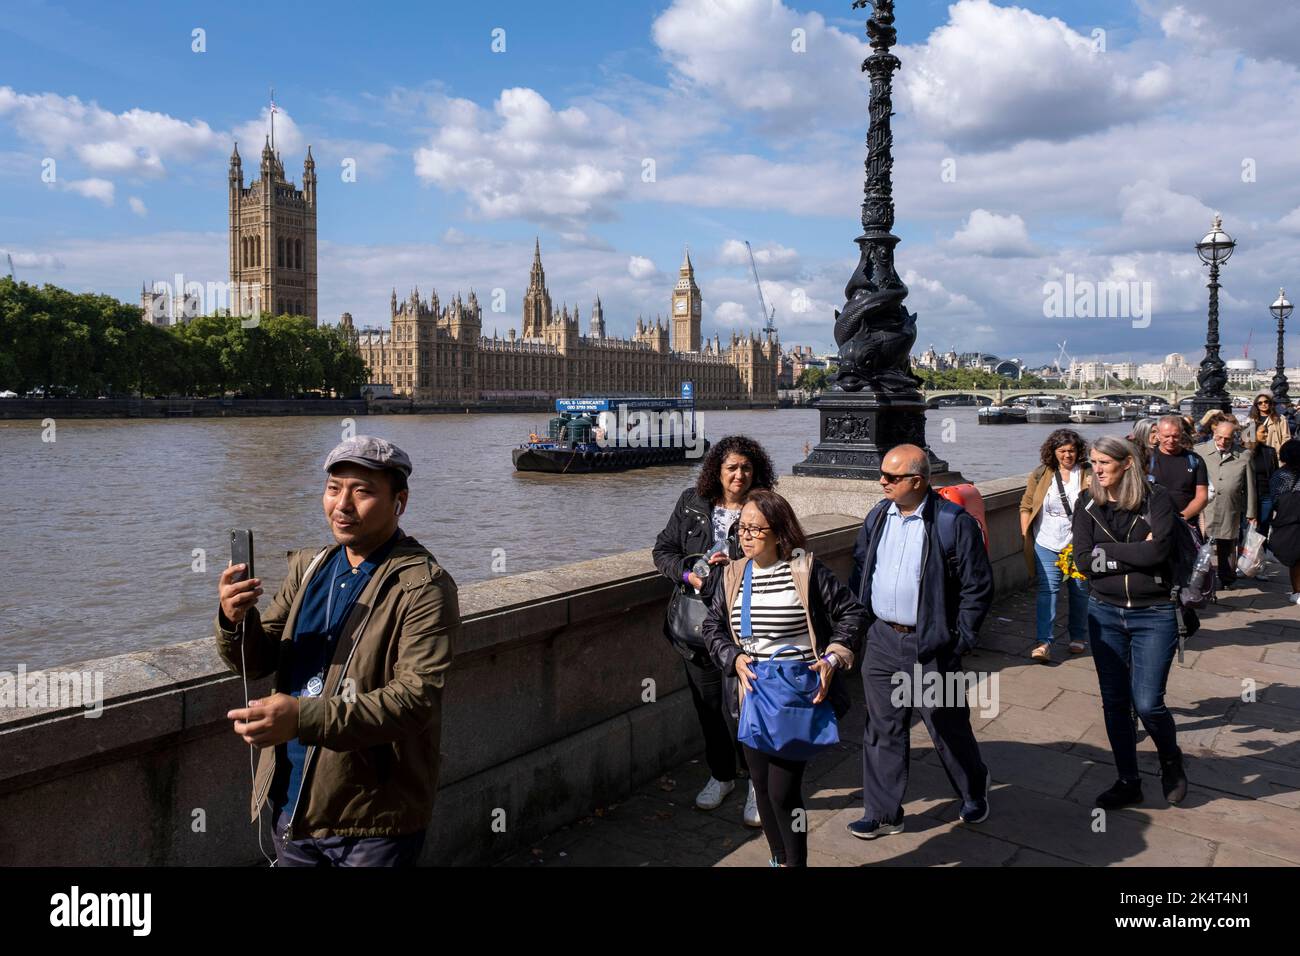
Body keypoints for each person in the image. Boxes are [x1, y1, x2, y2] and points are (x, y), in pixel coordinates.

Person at [216, 436, 459, 866]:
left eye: (362, 491)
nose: (342, 504)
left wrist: (299, 717)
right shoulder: (308, 569)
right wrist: (235, 620)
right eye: (334, 489)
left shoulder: (424, 586)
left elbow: (415, 700)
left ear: (399, 502)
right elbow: (259, 660)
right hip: (293, 804)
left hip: (372, 821)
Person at [701, 489, 867, 866]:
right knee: (759, 786)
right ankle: (778, 859)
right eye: (741, 528)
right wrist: (734, 658)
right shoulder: (732, 574)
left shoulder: (804, 570)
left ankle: (795, 862)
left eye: (755, 529)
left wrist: (833, 657)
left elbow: (852, 613)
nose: (745, 536)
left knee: (783, 791)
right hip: (751, 693)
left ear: (778, 532)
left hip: (796, 692)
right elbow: (712, 627)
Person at [846, 444, 995, 839]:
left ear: (917, 480)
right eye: (882, 474)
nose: (882, 481)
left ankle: (973, 788)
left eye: (891, 477)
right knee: (882, 727)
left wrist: (958, 640)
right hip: (881, 638)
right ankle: (883, 813)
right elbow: (862, 567)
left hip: (931, 644)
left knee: (946, 726)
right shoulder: (878, 516)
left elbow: (977, 587)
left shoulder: (952, 522)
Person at [653, 435, 776, 827]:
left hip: (746, 628)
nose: (739, 475)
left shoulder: (765, 508)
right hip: (696, 626)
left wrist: (737, 562)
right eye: (731, 468)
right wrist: (689, 573)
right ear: (716, 471)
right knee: (709, 709)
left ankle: (757, 784)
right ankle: (722, 775)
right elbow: (663, 550)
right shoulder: (691, 502)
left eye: (746, 468)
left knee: (749, 710)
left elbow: (783, 556)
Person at [1073, 436, 1187, 808]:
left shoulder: (1156, 499)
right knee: (1115, 702)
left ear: (1127, 464)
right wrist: (1132, 554)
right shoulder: (1087, 503)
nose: (1097, 469)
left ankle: (1171, 760)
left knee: (1149, 702)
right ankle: (1128, 779)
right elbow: (1083, 561)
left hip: (1153, 613)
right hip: (1104, 610)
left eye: (1105, 462)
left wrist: (1108, 553)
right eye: (1092, 462)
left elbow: (1159, 551)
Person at [1019, 429, 1092, 662]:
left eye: (1072, 450)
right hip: (1046, 541)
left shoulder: (1088, 472)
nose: (1067, 455)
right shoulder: (1042, 473)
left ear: (1079, 451)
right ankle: (1043, 642)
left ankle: (1078, 636)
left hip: (1078, 543)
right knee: (1047, 591)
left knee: (1079, 592)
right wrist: (1025, 534)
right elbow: (1026, 505)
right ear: (1053, 452)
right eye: (1062, 451)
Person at [1195, 419, 1257, 588]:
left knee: (1228, 545)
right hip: (1204, 508)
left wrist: (1251, 512)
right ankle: (1201, 578)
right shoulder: (1199, 451)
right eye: (1219, 437)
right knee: (1200, 545)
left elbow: (1250, 486)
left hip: (1230, 507)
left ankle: (1227, 579)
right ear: (1214, 435)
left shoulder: (1244, 455)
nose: (1222, 442)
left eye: (1227, 439)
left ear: (1234, 438)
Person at [1149, 414, 1209, 526]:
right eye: (1166, 436)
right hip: (1154, 523)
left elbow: (1202, 497)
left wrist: (1181, 518)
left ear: (1182, 434)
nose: (1171, 440)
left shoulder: (1195, 460)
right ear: (1158, 434)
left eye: (1175, 436)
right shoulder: (1148, 459)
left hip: (1186, 523)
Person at [1266, 439, 1300, 603]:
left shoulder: (1279, 474)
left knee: (1296, 560)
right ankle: (1297, 591)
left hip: (1290, 521)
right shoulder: (1282, 475)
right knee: (1297, 559)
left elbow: (1275, 500)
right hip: (1292, 522)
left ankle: (1297, 591)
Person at [1249, 422, 1279, 536]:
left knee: (1264, 528)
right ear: (1253, 433)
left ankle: (1262, 552)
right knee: (1248, 529)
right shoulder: (1245, 452)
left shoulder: (1270, 451)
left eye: (1266, 431)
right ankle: (1247, 553)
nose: (1266, 434)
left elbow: (1275, 474)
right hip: (1249, 497)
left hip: (1266, 495)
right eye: (1263, 432)